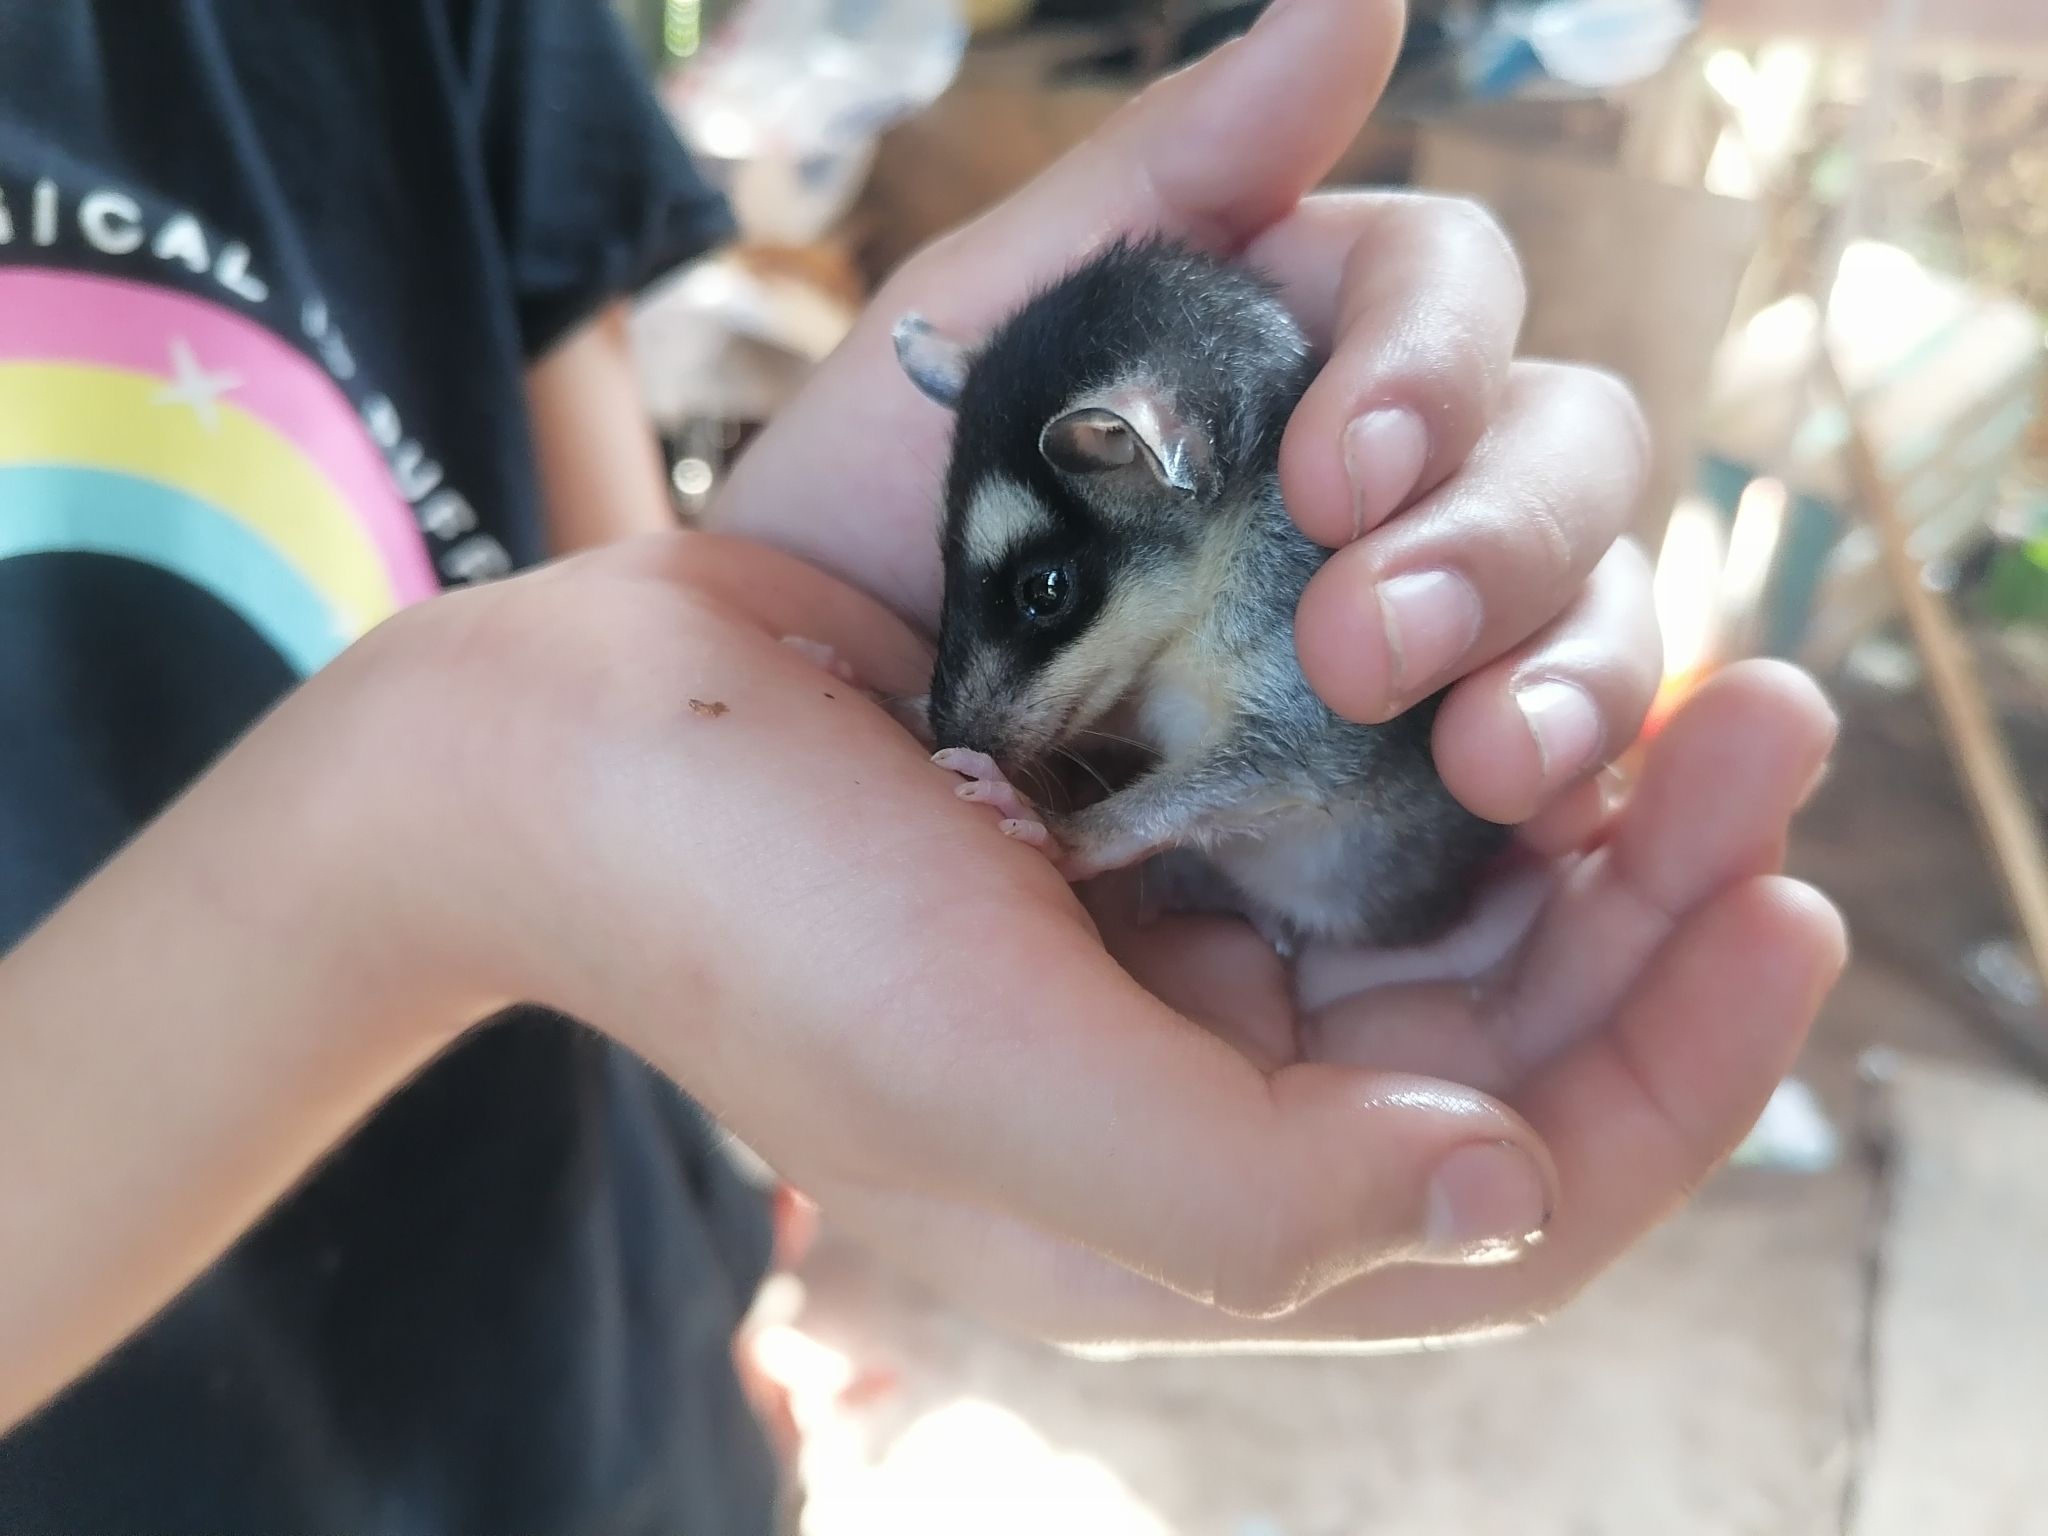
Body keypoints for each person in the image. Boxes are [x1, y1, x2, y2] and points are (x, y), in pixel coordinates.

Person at [0, 0, 1845, 1531]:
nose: (978, 695)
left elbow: (624, 624)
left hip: (640, 1392)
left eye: (1034, 597)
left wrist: (746, 1012)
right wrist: (457, 818)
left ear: (1155, 464)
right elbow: (559, 747)